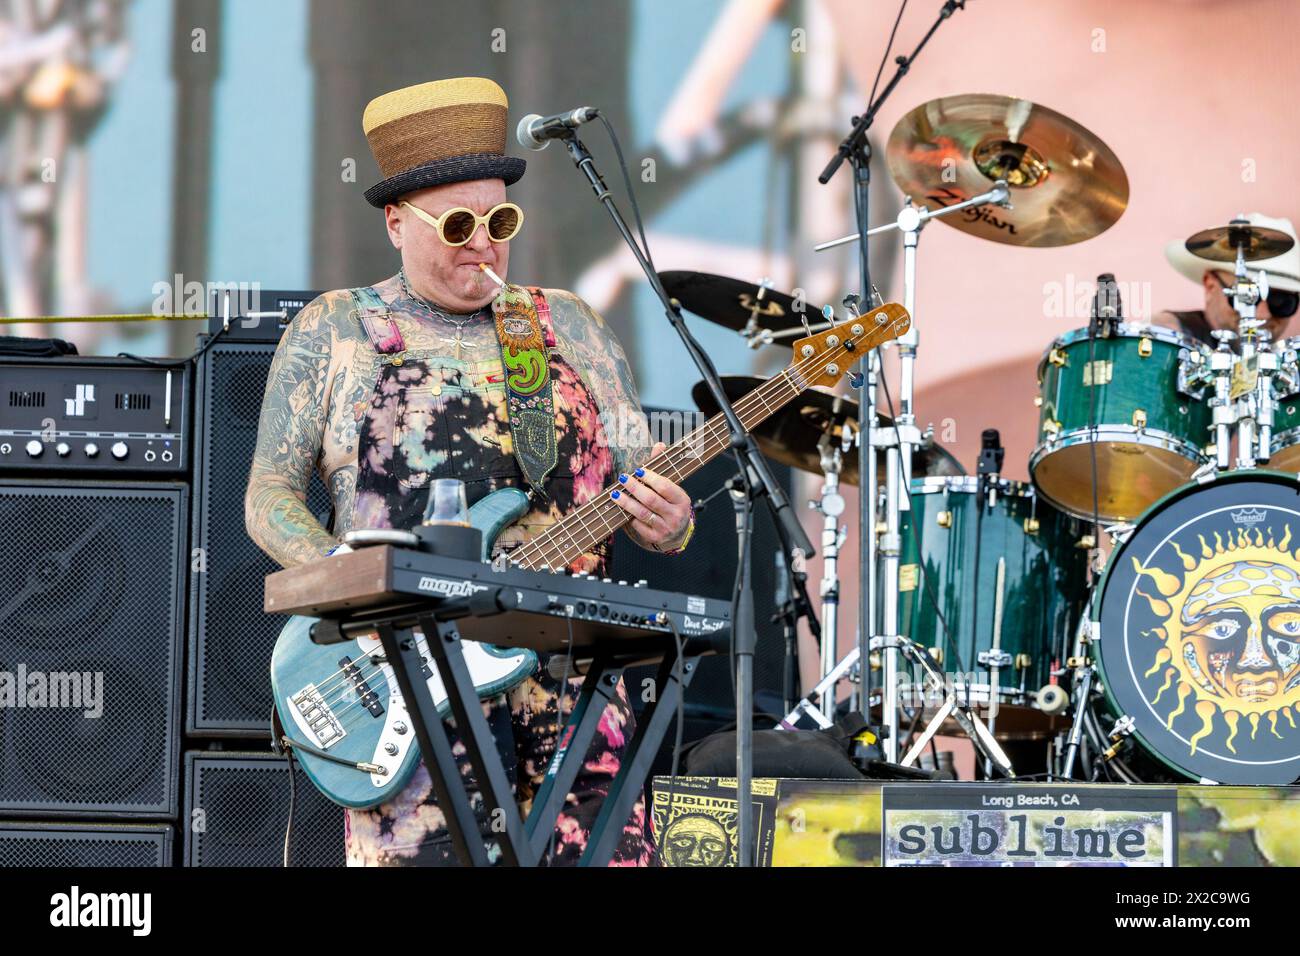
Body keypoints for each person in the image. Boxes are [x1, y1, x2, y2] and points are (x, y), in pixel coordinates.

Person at [245, 77, 695, 865]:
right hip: (411, 693)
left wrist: (672, 518)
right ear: (395, 222)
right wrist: (363, 594)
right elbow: (268, 497)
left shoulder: (568, 325)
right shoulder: (336, 329)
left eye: (499, 221)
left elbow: (641, 473)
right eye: (457, 224)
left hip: (574, 688)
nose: (482, 244)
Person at [1156, 212, 1300, 346]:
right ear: (1210, 285)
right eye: (1245, 295)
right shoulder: (1168, 335)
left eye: (1281, 301)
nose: (1262, 314)